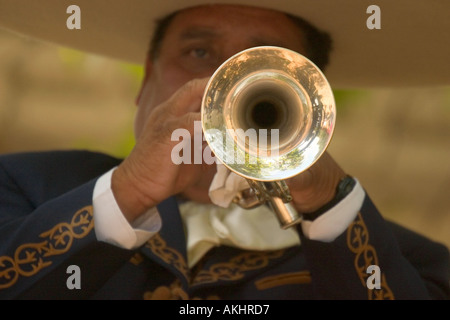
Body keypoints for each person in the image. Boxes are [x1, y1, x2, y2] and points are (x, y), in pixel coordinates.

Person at [0, 1, 449, 300]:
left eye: (265, 64)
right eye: (199, 52)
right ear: (146, 82)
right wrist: (130, 191)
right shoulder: (21, 184)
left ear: (311, 101)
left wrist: (331, 202)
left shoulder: (413, 259)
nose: (226, 86)